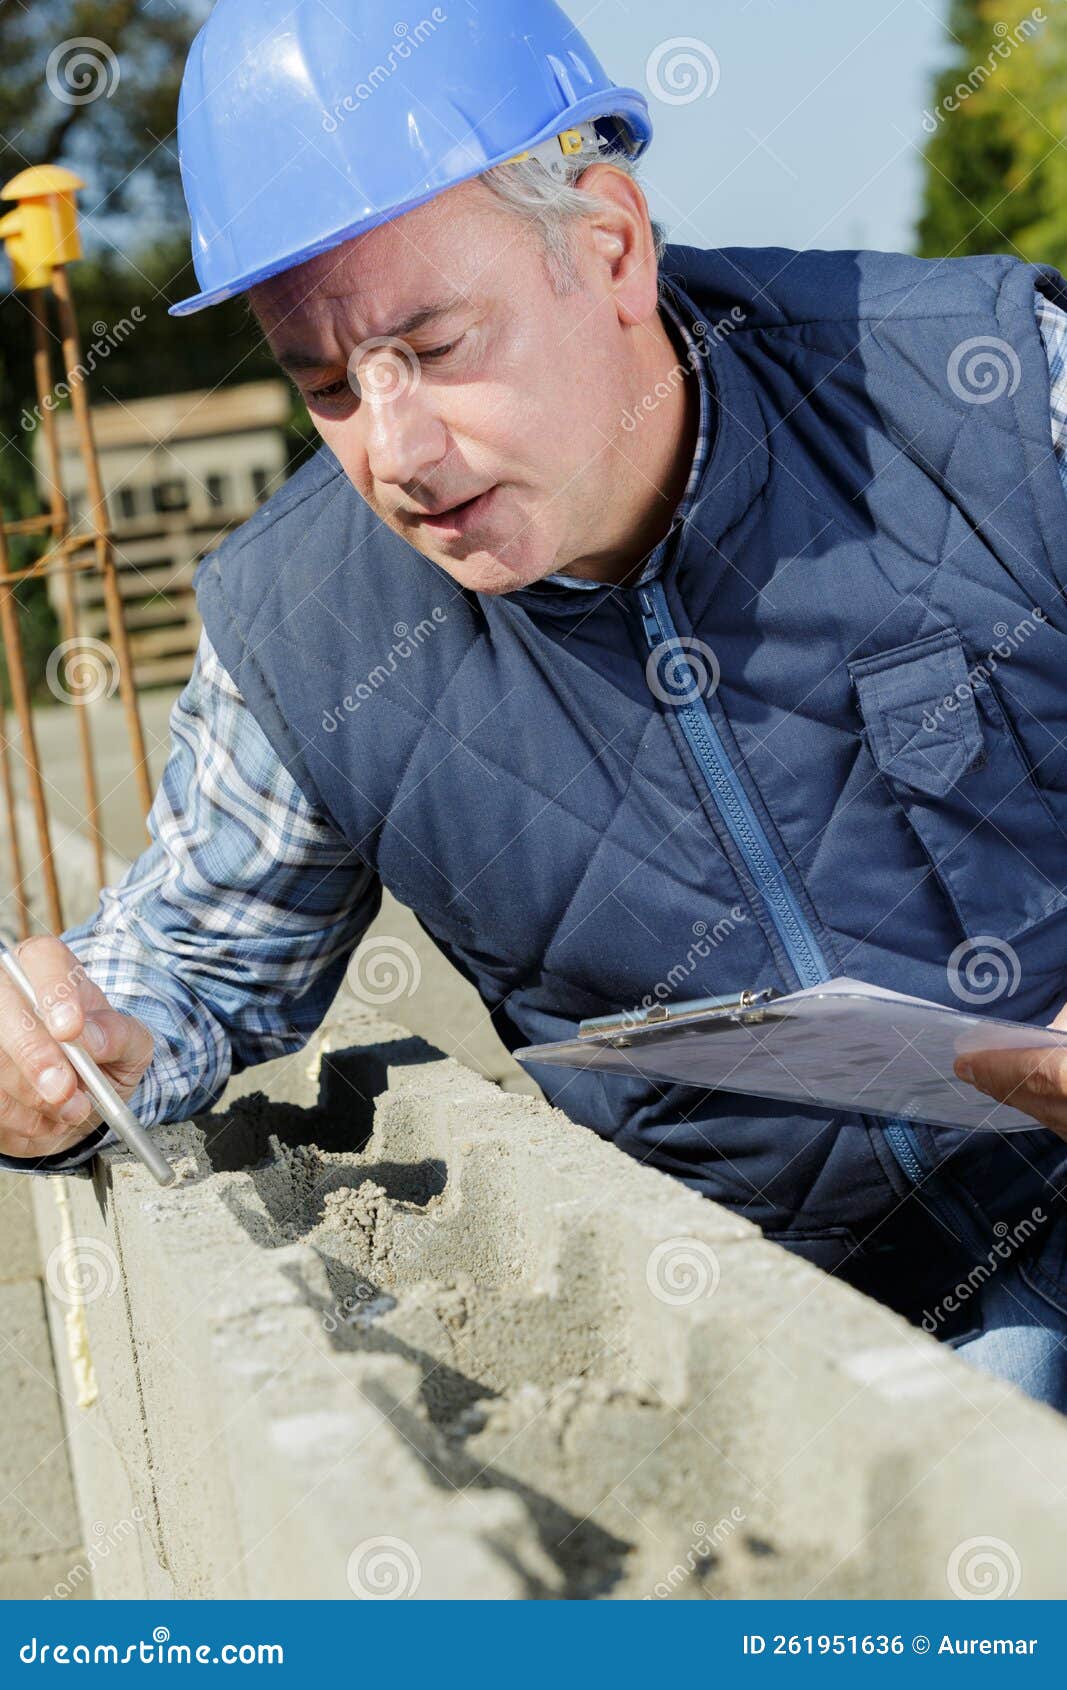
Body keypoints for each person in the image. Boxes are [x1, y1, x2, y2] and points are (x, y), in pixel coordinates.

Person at [5, 0, 1067, 1411]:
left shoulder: (988, 395)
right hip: (797, 1339)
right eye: (325, 384)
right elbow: (187, 962)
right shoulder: (305, 628)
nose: (398, 451)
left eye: (437, 347)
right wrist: (77, 1047)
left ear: (611, 248)